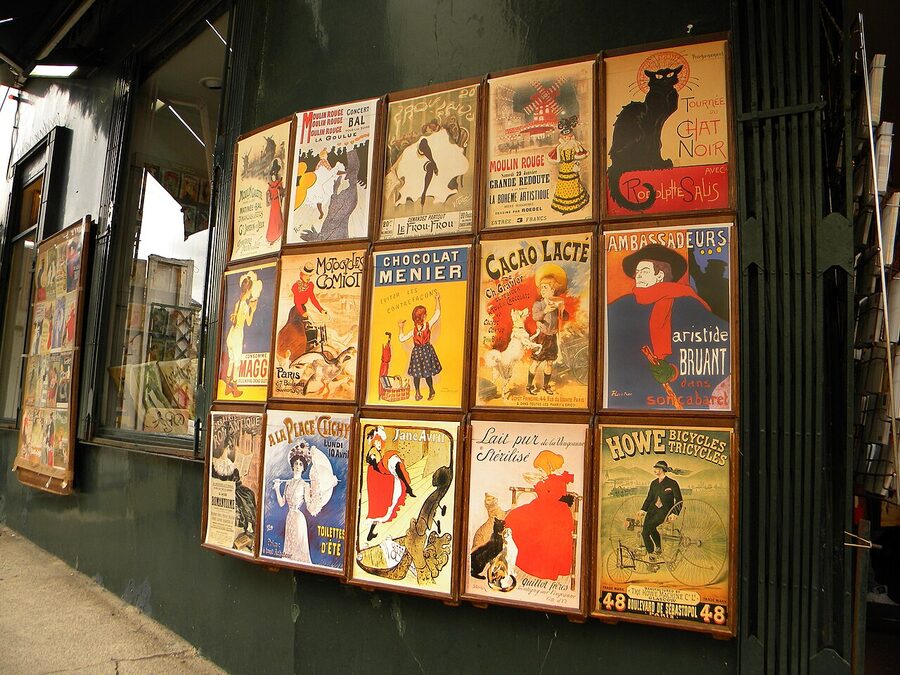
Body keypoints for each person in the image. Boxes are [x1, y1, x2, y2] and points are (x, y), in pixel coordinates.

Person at [606, 243, 729, 409]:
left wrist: (674, 371)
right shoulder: (622, 305)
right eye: (637, 272)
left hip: (669, 398)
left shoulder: (687, 303)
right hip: (627, 396)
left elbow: (720, 342)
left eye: (645, 271)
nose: (638, 276)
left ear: (660, 275)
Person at [503, 450, 576, 580]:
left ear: (549, 467)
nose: (540, 473)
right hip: (552, 510)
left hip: (553, 513)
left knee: (519, 519)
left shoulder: (555, 480)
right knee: (519, 516)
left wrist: (537, 484)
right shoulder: (556, 478)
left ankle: (532, 563)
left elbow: (547, 498)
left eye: (541, 470)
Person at [364, 426, 415, 543]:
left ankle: (370, 533)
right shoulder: (373, 452)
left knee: (377, 507)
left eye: (379, 442)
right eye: (377, 441)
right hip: (376, 479)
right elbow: (375, 466)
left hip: (374, 478)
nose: (379, 444)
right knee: (394, 484)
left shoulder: (375, 451)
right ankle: (406, 488)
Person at [527, 264, 567, 395]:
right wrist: (545, 311)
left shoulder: (556, 303)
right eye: (541, 288)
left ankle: (545, 386)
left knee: (549, 363)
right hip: (542, 337)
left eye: (546, 288)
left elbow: (565, 316)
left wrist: (562, 309)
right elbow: (535, 316)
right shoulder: (538, 304)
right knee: (537, 362)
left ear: (553, 290)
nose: (542, 290)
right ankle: (528, 386)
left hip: (552, 337)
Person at [276, 262, 328, 361]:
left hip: (303, 310)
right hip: (296, 311)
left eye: (310, 275)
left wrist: (321, 310)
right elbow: (297, 301)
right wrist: (302, 312)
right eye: (306, 275)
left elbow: (313, 299)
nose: (308, 277)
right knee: (298, 333)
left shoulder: (310, 286)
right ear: (301, 274)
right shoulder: (296, 286)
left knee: (309, 328)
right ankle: (296, 356)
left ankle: (310, 347)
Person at [211, 430, 257, 541]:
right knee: (248, 495)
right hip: (229, 491)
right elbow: (233, 482)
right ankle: (249, 524)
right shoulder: (226, 465)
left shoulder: (218, 464)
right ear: (227, 448)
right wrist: (240, 478)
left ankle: (250, 525)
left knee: (249, 493)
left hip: (229, 488)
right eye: (231, 448)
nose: (232, 451)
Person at [273, 442, 312, 563]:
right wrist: (277, 488)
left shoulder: (306, 485)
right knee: (289, 549)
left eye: (301, 464)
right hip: (289, 518)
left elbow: (310, 506)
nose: (298, 466)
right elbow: (281, 503)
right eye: (296, 463)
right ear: (292, 465)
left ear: (303, 467)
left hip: (299, 519)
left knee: (298, 549)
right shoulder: (287, 483)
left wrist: (317, 493)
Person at [398, 293, 441, 401]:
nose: (426, 316)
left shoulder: (428, 325)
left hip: (426, 351)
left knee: (427, 374)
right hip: (417, 353)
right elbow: (402, 338)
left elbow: (437, 313)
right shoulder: (413, 331)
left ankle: (431, 390)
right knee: (416, 375)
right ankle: (417, 392)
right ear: (421, 317)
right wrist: (401, 328)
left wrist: (437, 299)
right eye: (425, 314)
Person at [638, 460, 683, 561]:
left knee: (648, 529)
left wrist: (675, 513)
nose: (655, 470)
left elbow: (679, 500)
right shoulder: (653, 483)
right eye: (655, 468)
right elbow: (649, 498)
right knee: (647, 530)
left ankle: (651, 554)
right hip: (652, 510)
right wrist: (643, 510)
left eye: (657, 468)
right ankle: (657, 549)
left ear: (662, 470)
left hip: (665, 511)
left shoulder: (672, 483)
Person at [223, 271, 259, 397]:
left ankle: (227, 387)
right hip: (238, 335)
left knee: (231, 361)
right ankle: (235, 388)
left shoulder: (237, 303)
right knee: (237, 363)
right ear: (248, 291)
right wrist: (253, 310)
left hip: (231, 335)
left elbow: (234, 318)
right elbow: (248, 322)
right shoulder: (245, 306)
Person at [549, 115, 589, 215]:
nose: (567, 137)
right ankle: (563, 204)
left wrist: (576, 161)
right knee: (563, 184)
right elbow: (557, 159)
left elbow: (580, 155)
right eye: (565, 136)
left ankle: (576, 202)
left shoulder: (575, 145)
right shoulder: (560, 147)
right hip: (564, 168)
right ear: (562, 136)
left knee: (574, 182)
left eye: (569, 136)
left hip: (571, 166)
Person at [266, 159, 285, 244]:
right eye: (272, 175)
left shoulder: (279, 182)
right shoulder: (270, 185)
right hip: (273, 202)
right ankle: (272, 235)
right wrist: (268, 197)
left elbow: (281, 191)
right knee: (272, 218)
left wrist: (280, 191)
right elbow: (268, 193)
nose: (273, 176)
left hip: (277, 202)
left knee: (277, 216)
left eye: (274, 174)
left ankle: (278, 231)